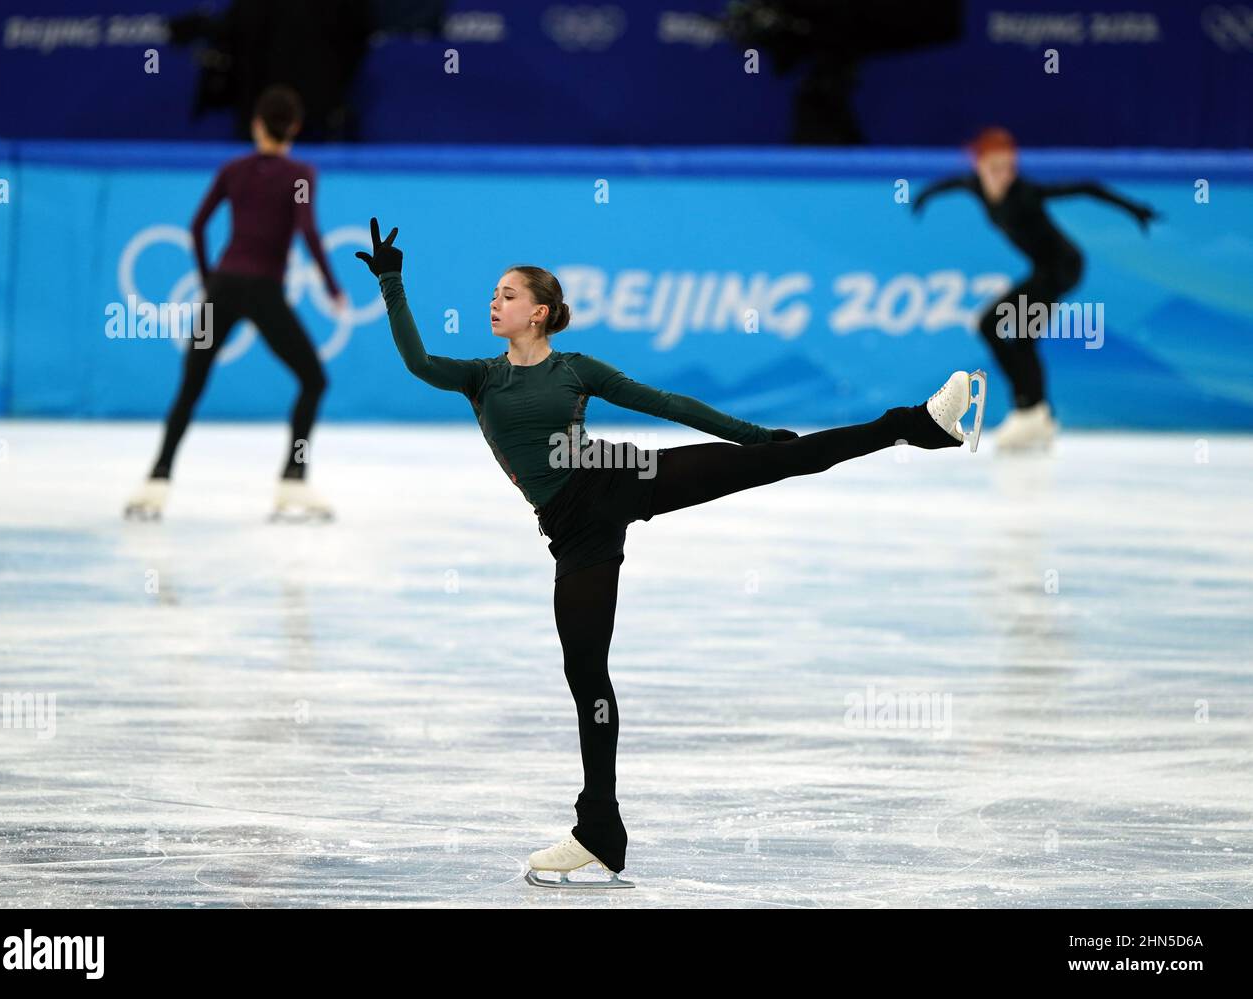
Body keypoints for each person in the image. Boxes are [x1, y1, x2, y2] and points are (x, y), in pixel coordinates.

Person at [356, 219, 985, 887]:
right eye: (494, 293)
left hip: (616, 477)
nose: (494, 302)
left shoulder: (576, 369)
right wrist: (392, 281)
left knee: (785, 459)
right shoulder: (480, 377)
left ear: (539, 312)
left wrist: (748, 437)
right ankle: (599, 830)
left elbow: (663, 402)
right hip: (574, 532)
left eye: (507, 295)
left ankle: (919, 424)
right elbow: (418, 362)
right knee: (585, 674)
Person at [125, 85, 343, 521]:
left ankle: (156, 481)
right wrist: (332, 286)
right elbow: (307, 231)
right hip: (264, 292)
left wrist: (209, 282)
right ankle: (292, 479)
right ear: (295, 127)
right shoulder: (301, 175)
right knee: (313, 381)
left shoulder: (233, 170)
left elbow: (197, 226)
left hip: (223, 287)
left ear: (256, 125)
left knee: (190, 387)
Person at [913, 126, 1158, 450]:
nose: (1003, 175)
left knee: (1000, 328)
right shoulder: (973, 185)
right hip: (1044, 270)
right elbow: (948, 184)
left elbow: (1087, 187)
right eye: (995, 168)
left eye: (1009, 167)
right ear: (981, 167)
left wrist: (1134, 209)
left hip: (1064, 268)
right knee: (1011, 335)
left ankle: (1030, 410)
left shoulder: (1025, 193)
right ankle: (1035, 413)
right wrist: (922, 196)